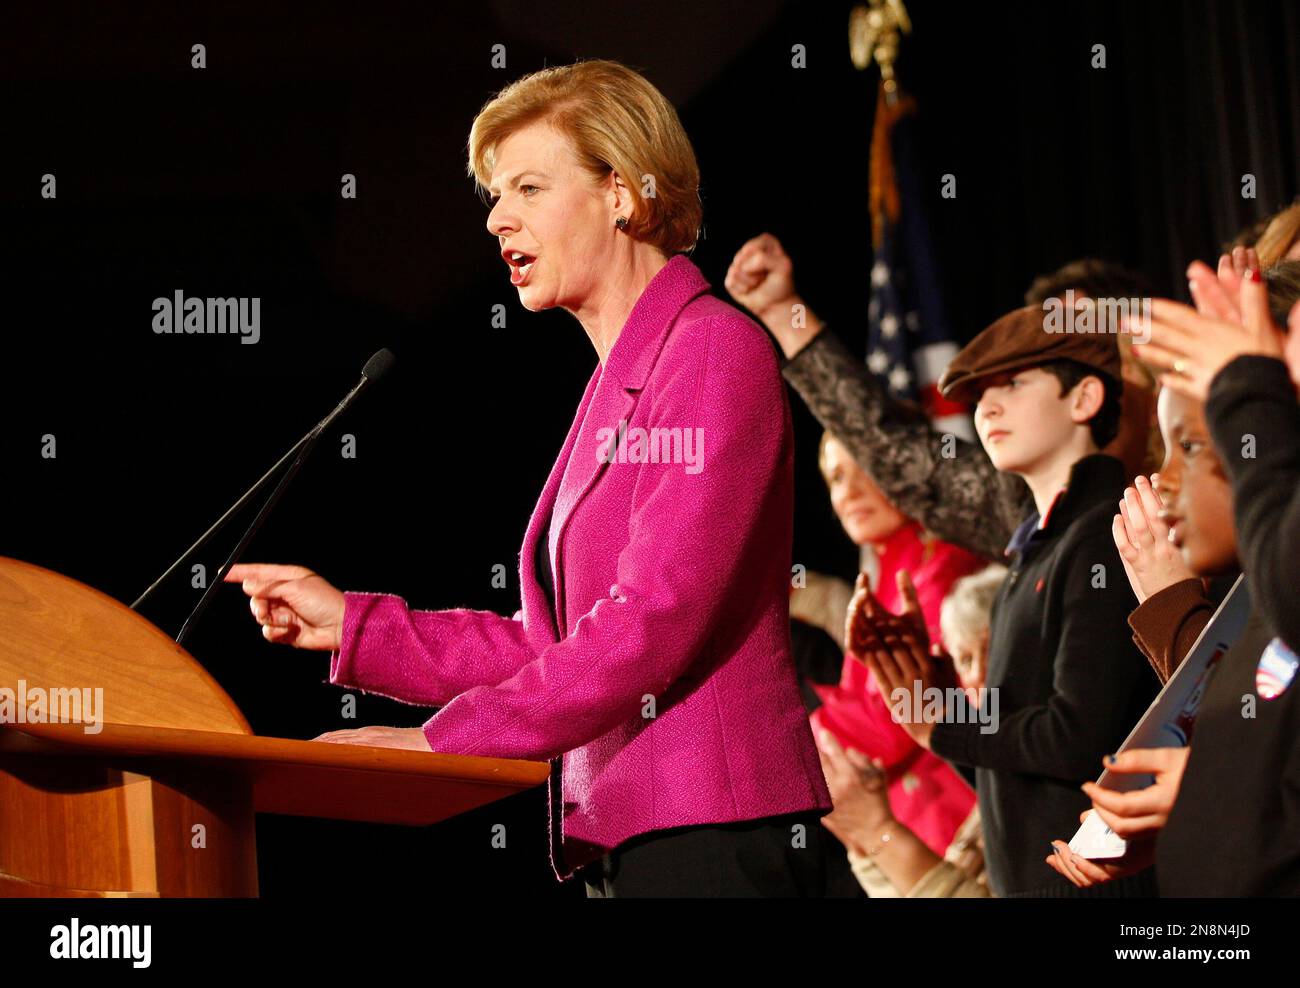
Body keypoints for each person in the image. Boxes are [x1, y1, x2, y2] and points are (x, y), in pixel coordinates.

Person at [224, 59, 834, 897]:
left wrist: (444, 743)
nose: (498, 219)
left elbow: (651, 620)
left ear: (622, 191)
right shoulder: (624, 378)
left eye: (528, 188)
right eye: (495, 196)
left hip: (710, 830)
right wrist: (357, 629)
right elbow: (551, 646)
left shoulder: (711, 350)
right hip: (643, 838)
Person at [844, 304, 1162, 897]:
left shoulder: (1100, 533)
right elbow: (1016, 775)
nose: (987, 407)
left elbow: (1078, 739)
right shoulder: (1035, 553)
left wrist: (944, 728)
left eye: (1013, 384)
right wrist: (937, 692)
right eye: (980, 396)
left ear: (1085, 398)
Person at [1049, 256, 1300, 895]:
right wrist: (1196, 810)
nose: (1160, 480)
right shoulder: (1260, 606)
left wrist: (1215, 794)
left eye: (1190, 446)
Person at [725, 234, 1160, 560]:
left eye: (1082, 338)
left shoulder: (1206, 450)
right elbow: (898, 453)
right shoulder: (1023, 506)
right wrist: (783, 313)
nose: (989, 405)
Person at [810, 433, 985, 891]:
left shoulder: (941, 565)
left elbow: (889, 730)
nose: (847, 491)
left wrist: (782, 724)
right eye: (834, 477)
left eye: (863, 466)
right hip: (909, 826)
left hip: (954, 824)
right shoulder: (888, 569)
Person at [820, 564, 1004, 898]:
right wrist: (862, 839)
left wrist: (877, 832)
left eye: (996, 653)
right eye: (964, 659)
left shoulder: (1064, 771)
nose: (977, 676)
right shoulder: (992, 792)